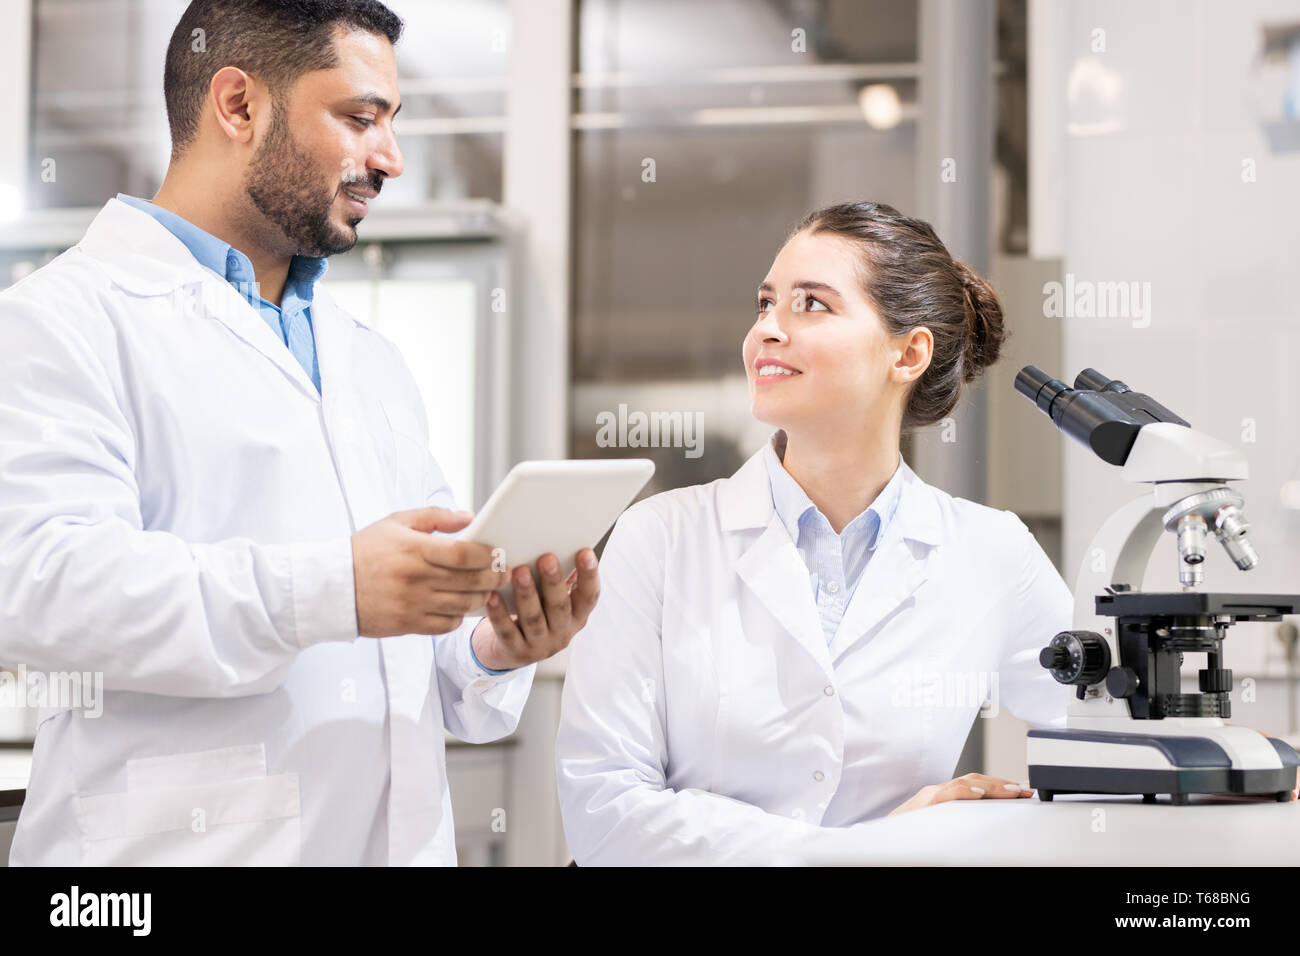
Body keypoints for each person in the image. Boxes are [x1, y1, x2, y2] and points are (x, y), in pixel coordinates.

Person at [0, 0, 598, 866]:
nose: (388, 159)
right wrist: (330, 590)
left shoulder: (368, 361)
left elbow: (421, 660)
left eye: (391, 124)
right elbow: (38, 588)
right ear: (238, 105)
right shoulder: (58, 323)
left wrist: (495, 643)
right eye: (361, 119)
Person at [555, 201, 1073, 865]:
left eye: (811, 305)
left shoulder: (989, 552)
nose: (767, 330)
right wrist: (862, 853)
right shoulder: (660, 537)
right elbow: (604, 813)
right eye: (765, 303)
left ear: (908, 352)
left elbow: (1111, 739)